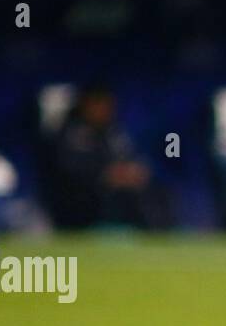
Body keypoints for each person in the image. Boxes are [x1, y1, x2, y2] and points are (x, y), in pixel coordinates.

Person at [42, 83, 161, 230]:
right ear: (86, 105)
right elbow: (69, 169)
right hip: (79, 201)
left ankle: (150, 231)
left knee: (148, 190)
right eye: (99, 104)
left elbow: (130, 156)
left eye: (108, 104)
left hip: (115, 192)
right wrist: (105, 174)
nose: (105, 110)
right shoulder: (71, 132)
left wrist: (131, 172)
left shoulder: (113, 131)